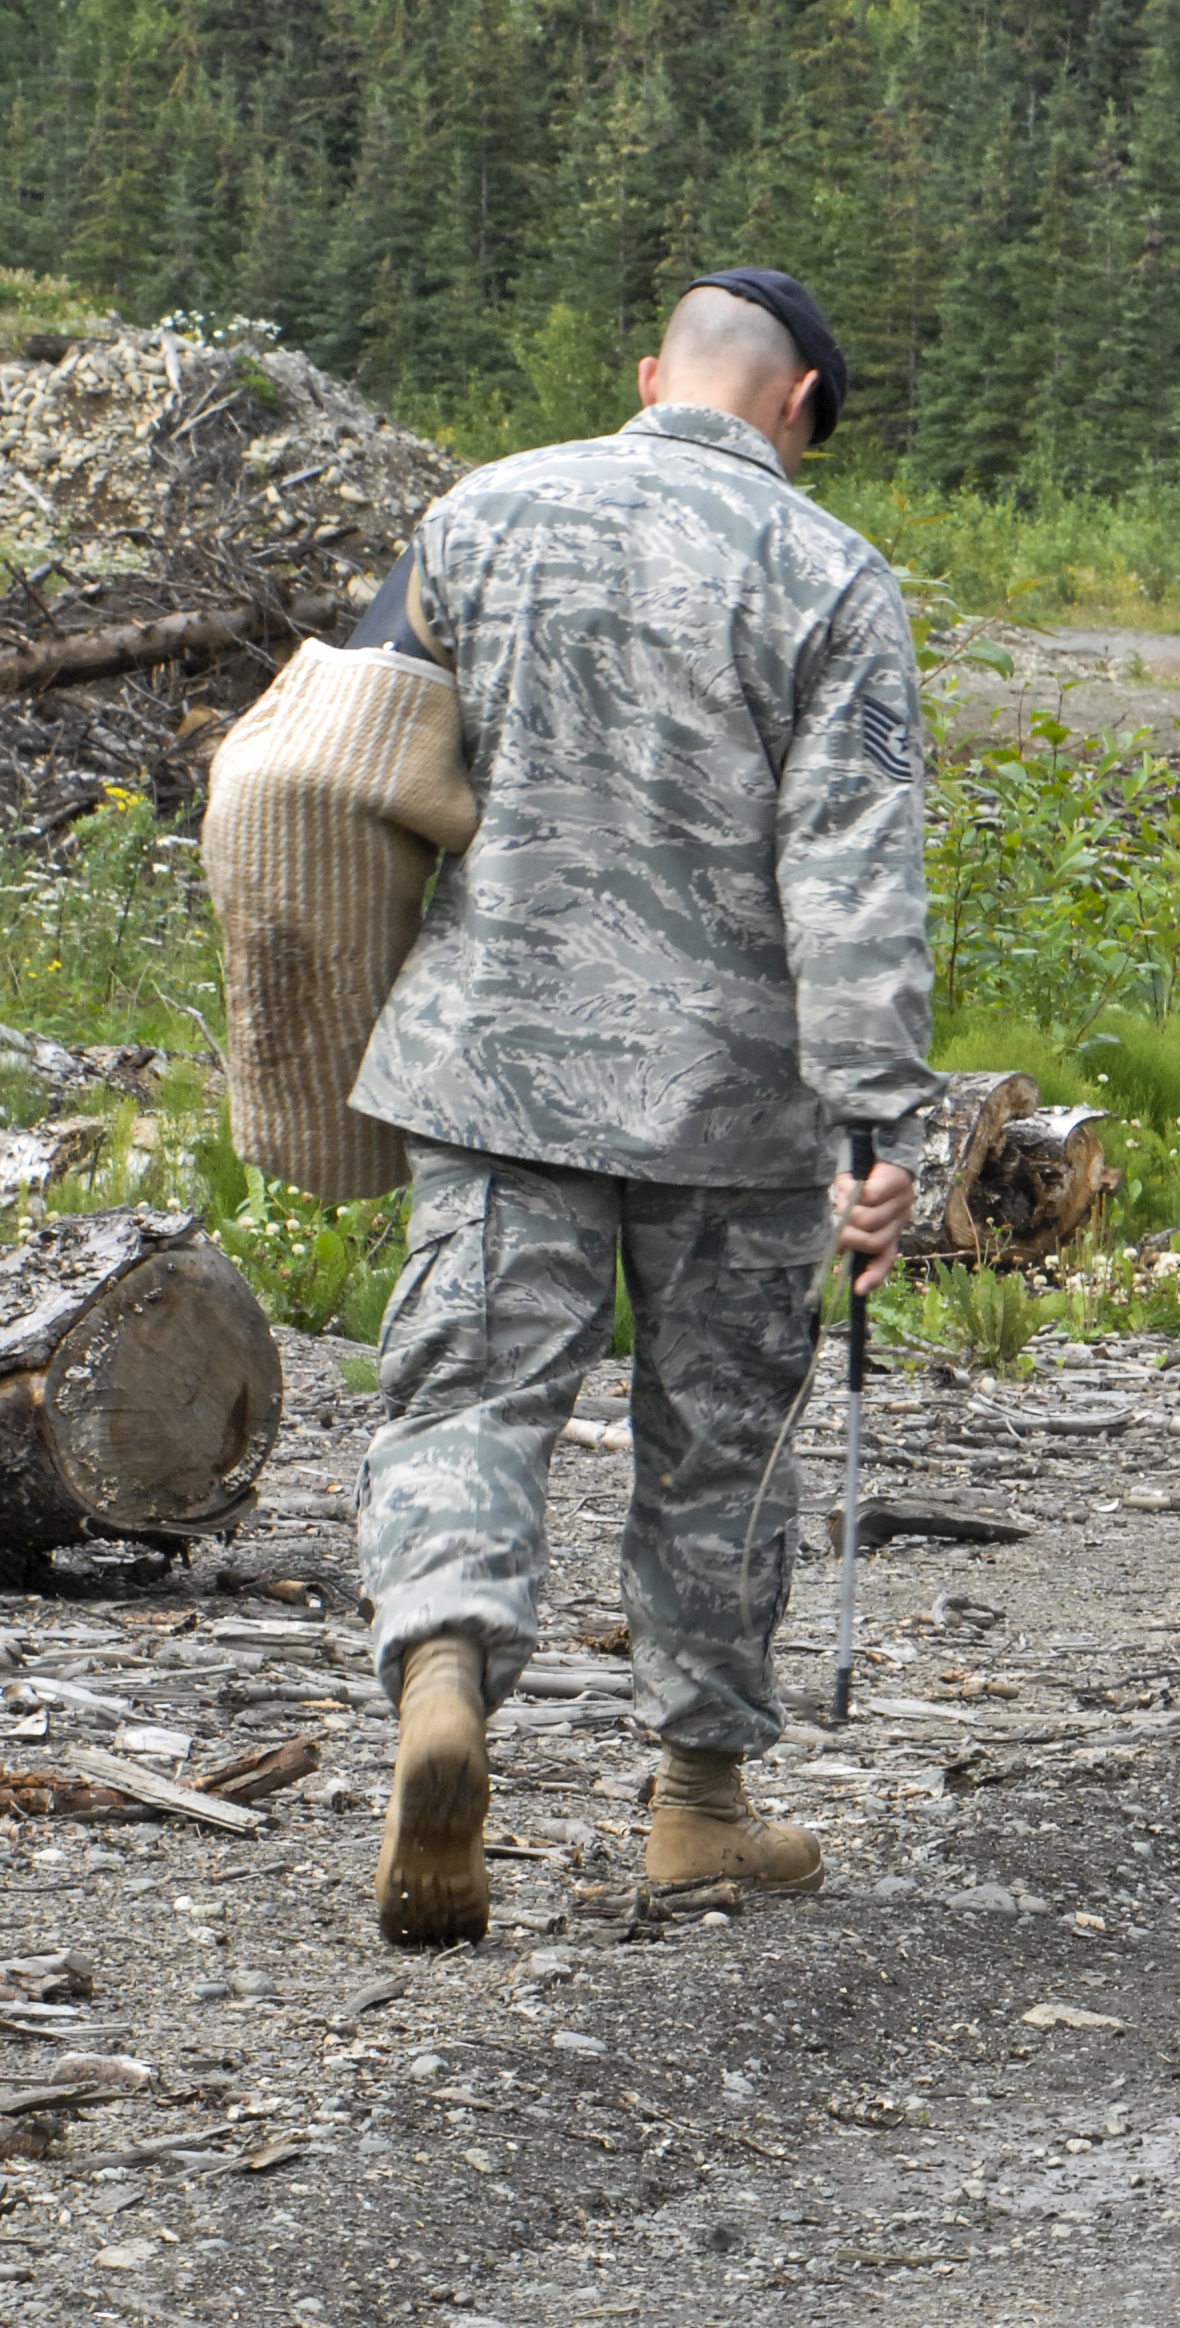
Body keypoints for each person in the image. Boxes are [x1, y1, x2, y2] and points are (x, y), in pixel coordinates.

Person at [349, 268, 938, 1947]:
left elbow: (357, 756)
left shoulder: (477, 515)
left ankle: (447, 1681)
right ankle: (698, 1806)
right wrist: (876, 1128)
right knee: (716, 1449)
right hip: (729, 1106)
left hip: (492, 1064)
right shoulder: (828, 575)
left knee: (466, 1402)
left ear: (648, 374)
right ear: (801, 405)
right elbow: (855, 874)